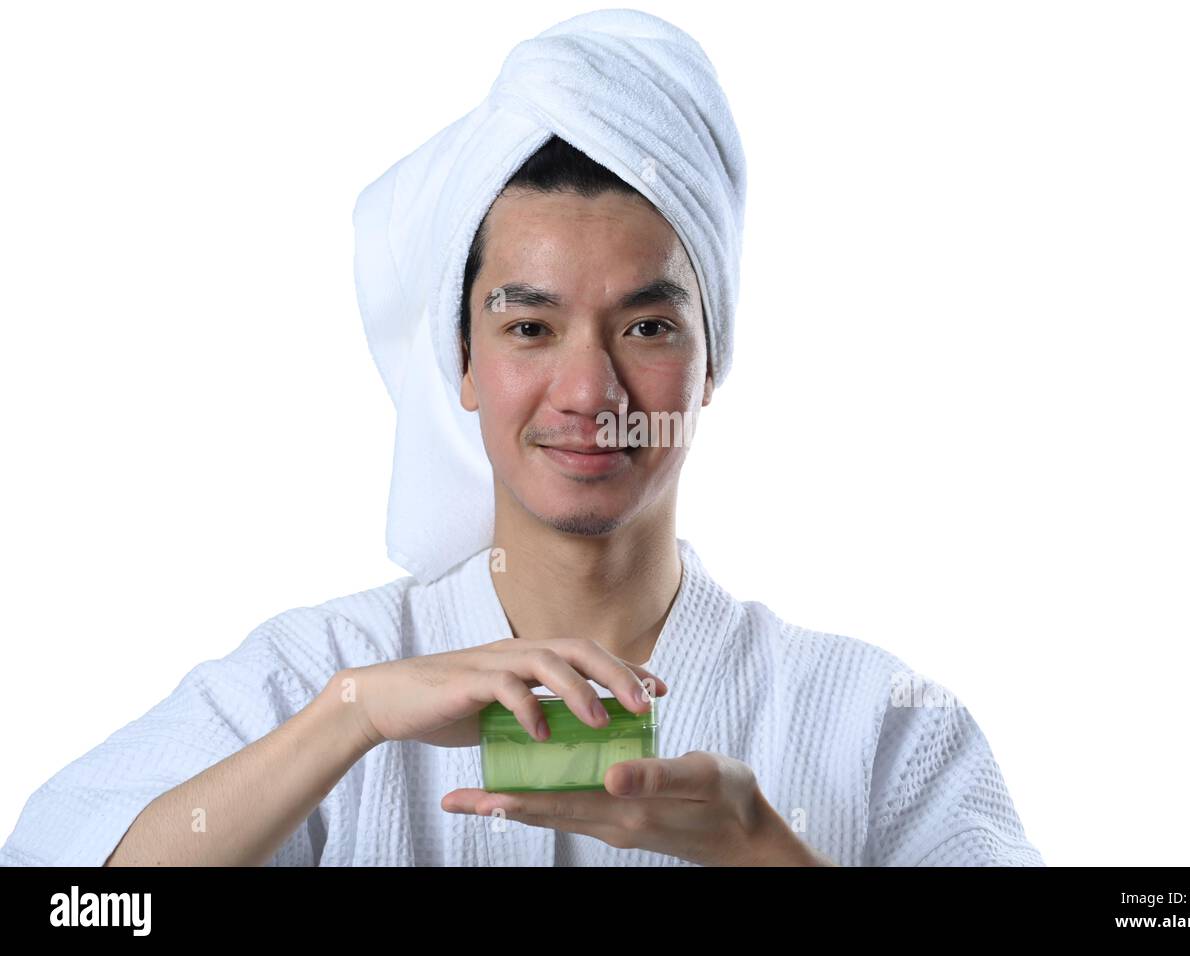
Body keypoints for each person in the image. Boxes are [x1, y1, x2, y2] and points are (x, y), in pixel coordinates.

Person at [0, 11, 1043, 868]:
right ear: (460, 355)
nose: (588, 390)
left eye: (646, 325)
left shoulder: (878, 726)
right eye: (529, 326)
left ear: (712, 357)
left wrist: (771, 855)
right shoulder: (319, 675)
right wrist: (349, 721)